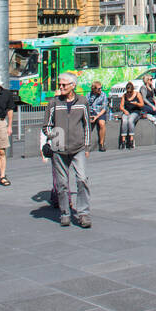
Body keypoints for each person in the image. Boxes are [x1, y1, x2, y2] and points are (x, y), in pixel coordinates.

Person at [43, 73, 91, 228]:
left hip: (78, 147)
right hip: (59, 147)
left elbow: (87, 125)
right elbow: (47, 126)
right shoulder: (54, 103)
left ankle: (83, 214)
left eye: (64, 85)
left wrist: (87, 146)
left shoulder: (82, 102)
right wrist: (55, 136)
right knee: (62, 183)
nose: (61, 87)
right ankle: (65, 213)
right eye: (60, 85)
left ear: (73, 86)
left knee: (82, 179)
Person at [86, 82, 110, 154]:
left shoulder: (103, 95)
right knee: (88, 126)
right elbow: (86, 105)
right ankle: (86, 145)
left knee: (101, 124)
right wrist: (89, 116)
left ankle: (101, 143)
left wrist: (97, 116)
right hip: (91, 112)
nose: (100, 90)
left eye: (101, 88)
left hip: (100, 112)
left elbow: (104, 108)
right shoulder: (88, 95)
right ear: (94, 89)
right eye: (99, 88)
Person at [119, 81, 144, 149]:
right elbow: (121, 106)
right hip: (127, 111)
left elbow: (142, 104)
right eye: (128, 92)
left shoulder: (137, 94)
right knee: (124, 120)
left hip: (136, 111)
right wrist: (124, 110)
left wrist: (136, 104)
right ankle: (123, 140)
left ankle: (131, 139)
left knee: (130, 120)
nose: (129, 93)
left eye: (130, 92)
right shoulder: (124, 96)